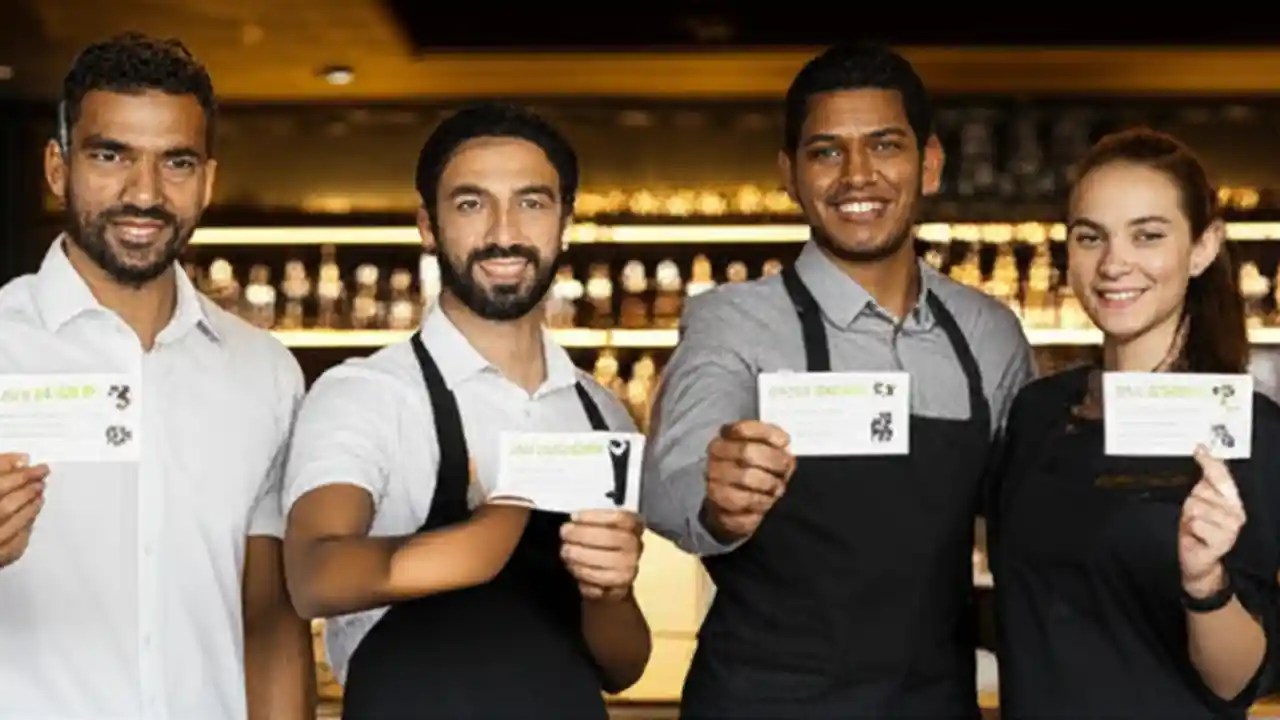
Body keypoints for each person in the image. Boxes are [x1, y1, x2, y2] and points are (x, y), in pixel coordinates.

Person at [641, 43, 1036, 718]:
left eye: (885, 146)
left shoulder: (988, 334)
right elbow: (668, 482)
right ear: (789, 175)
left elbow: (1031, 519)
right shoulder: (733, 322)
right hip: (762, 701)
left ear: (930, 164)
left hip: (930, 702)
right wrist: (717, 500)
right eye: (826, 152)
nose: (859, 175)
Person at [281, 102, 652, 719]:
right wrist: (492, 528)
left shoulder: (601, 414)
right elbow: (314, 574)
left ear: (565, 222)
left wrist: (609, 593)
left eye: (532, 202)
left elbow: (623, 665)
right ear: (428, 226)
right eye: (471, 203)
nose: (504, 232)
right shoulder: (369, 393)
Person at [0, 32, 314, 720]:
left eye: (175, 162)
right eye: (110, 156)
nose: (144, 193)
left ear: (207, 179)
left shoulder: (264, 375)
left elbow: (269, 622)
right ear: (57, 168)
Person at [989, 128, 1279, 719]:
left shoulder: (1251, 428)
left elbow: (1237, 683)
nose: (1114, 263)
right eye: (1090, 237)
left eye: (1147, 235)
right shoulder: (1038, 412)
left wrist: (1206, 582)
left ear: (1203, 247)